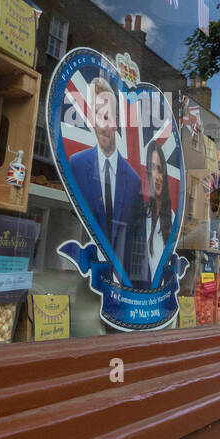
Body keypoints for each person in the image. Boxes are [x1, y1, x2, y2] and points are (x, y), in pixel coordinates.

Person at [69, 76, 144, 286]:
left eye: (108, 116)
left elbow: (134, 238)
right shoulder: (76, 165)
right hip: (80, 276)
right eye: (98, 116)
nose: (103, 126)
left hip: (119, 283)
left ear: (117, 122)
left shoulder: (133, 181)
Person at [140, 138, 175, 288]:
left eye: (160, 169)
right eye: (153, 168)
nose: (157, 176)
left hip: (164, 295)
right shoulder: (143, 214)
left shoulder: (172, 217)